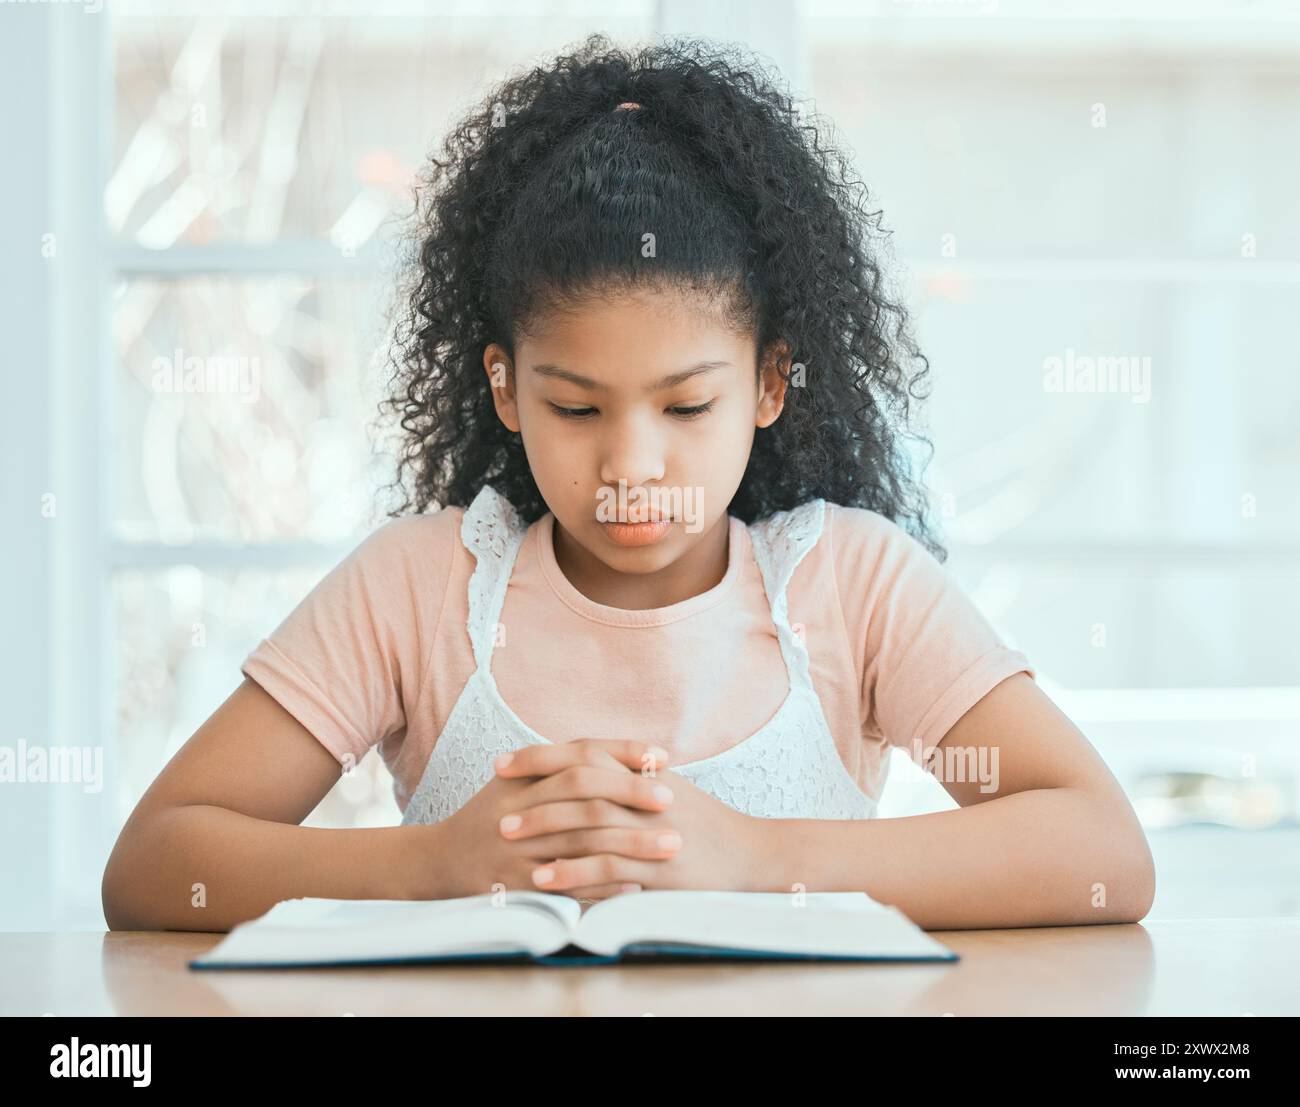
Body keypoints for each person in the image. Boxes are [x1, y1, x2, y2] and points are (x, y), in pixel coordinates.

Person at [102, 34, 1154, 933]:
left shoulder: (849, 587)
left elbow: (1100, 851)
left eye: (688, 408)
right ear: (505, 391)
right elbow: (154, 861)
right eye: (575, 406)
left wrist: (750, 858)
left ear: (769, 385)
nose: (630, 466)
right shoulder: (418, 590)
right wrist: (429, 871)